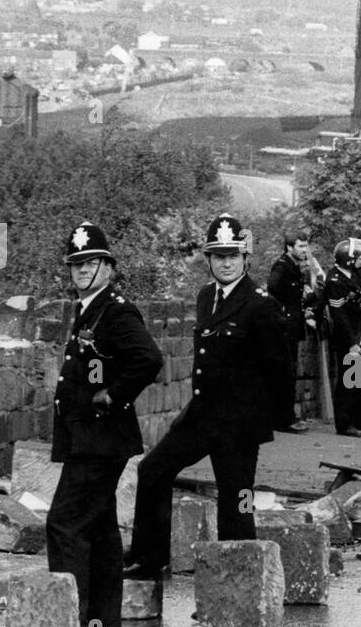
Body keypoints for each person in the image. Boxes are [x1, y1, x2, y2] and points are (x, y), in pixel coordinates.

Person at [123, 214, 287, 578]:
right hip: (202, 413)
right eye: (217, 256)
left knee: (237, 501)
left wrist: (255, 425)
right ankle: (149, 559)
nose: (225, 262)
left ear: (246, 258)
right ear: (208, 260)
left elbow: (278, 370)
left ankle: (241, 581)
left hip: (239, 422)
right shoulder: (205, 297)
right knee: (153, 470)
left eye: (232, 255)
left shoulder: (262, 305)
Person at [47, 223, 162, 627]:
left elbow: (148, 359)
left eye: (90, 263)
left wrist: (112, 395)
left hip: (100, 439)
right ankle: (101, 624)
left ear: (108, 267)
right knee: (100, 529)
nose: (81, 270)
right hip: (91, 439)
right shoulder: (89, 308)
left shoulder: (116, 310)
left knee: (64, 524)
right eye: (76, 264)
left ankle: (69, 624)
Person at [323, 238, 361, 437]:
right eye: (359, 257)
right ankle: (344, 424)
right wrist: (352, 343)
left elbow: (354, 302)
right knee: (347, 381)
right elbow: (339, 316)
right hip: (346, 338)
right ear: (348, 259)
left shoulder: (350, 276)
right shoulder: (335, 280)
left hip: (357, 333)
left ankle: (360, 421)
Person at [265, 227, 315, 434]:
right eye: (301, 246)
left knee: (289, 372)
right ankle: (283, 419)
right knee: (285, 374)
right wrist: (283, 312)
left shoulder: (294, 266)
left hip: (292, 326)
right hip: (285, 327)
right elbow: (272, 287)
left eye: (306, 245)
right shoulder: (283, 265)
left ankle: (285, 417)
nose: (305, 249)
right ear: (289, 247)